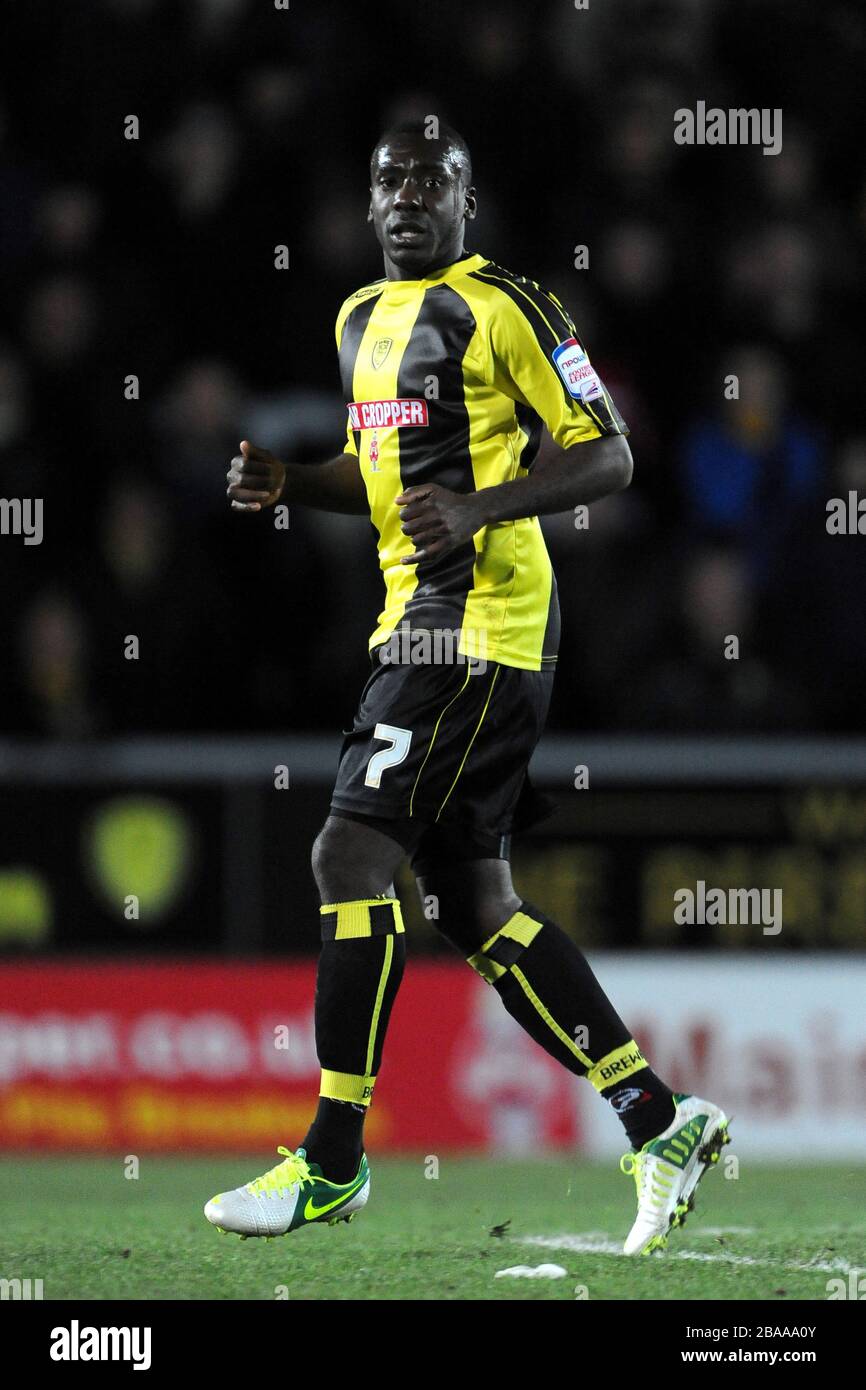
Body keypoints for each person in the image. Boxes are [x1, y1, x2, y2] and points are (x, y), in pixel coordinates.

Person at [205, 120, 729, 1255]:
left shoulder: (506, 305)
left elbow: (610, 452)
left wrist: (486, 509)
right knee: (469, 902)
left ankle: (332, 1162)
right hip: (411, 626)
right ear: (367, 203)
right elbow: (386, 478)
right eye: (388, 177)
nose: (405, 196)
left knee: (346, 857)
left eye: (429, 180)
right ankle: (657, 1115)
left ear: (465, 201)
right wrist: (291, 481)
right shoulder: (355, 319)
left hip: (477, 631)